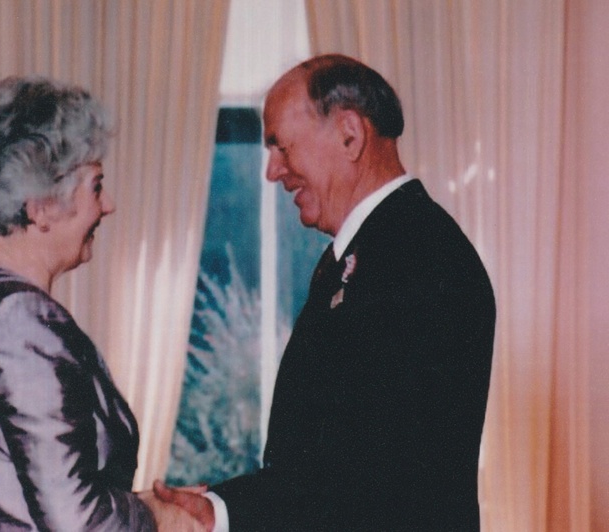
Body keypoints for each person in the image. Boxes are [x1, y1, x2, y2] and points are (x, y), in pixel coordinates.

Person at [154, 54, 496, 531]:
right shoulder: (370, 251)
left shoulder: (419, 259)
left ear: (350, 135)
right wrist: (221, 505)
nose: (272, 171)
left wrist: (224, 511)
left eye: (279, 145)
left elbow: (368, 472)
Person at [0, 77, 198, 531]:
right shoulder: (20, 320)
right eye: (96, 186)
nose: (107, 205)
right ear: (42, 208)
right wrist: (158, 517)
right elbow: (77, 523)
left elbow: (23, 488)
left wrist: (142, 503)